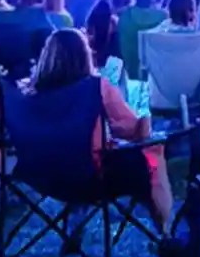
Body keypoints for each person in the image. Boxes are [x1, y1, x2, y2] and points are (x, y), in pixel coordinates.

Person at [24, 29, 174, 236]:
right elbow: (134, 131)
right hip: (93, 178)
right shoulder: (97, 88)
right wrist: (144, 118)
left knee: (76, 154)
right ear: (85, 56)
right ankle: (165, 231)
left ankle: (74, 229)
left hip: (42, 176)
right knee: (153, 153)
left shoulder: (28, 94)